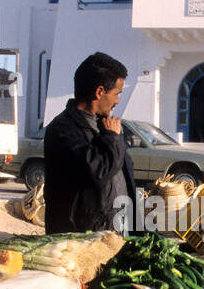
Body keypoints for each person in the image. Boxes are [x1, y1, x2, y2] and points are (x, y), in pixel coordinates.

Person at [43, 51, 135, 235]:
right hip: (82, 240)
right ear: (99, 92)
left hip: (116, 234)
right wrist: (112, 138)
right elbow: (97, 170)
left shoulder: (106, 124)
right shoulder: (63, 129)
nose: (117, 101)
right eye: (117, 94)